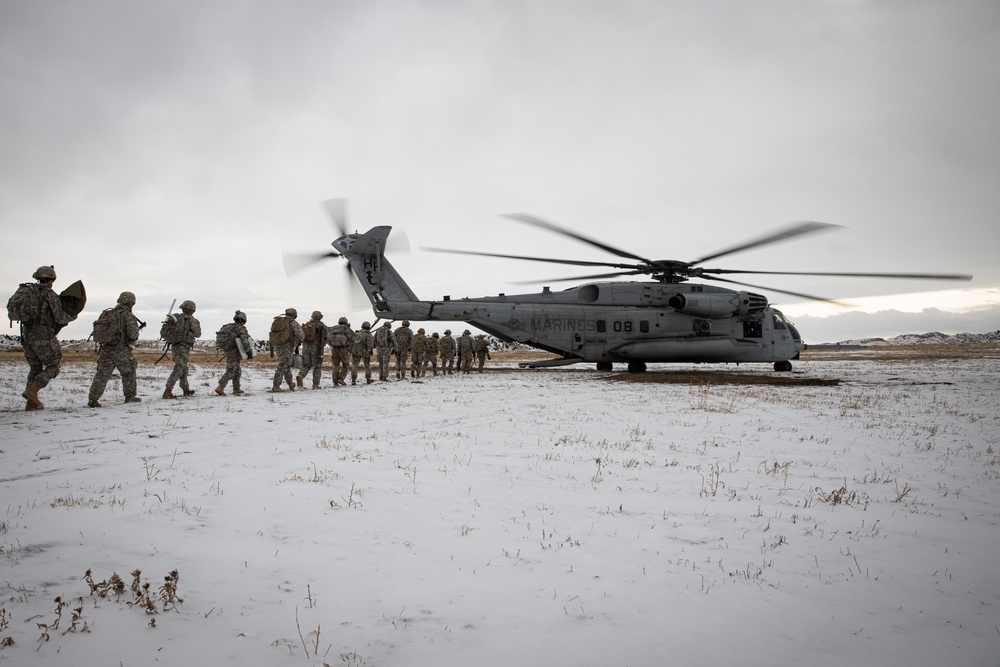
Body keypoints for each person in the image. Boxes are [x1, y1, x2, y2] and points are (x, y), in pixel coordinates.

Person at [7, 265, 77, 410]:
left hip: (26, 332)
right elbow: (59, 317)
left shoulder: (27, 291)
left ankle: (31, 403)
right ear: (51, 279)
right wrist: (72, 316)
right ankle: (32, 391)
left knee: (35, 366)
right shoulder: (50, 295)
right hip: (43, 332)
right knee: (53, 365)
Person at [87, 291, 142, 407]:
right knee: (129, 372)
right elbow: (133, 335)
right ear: (130, 302)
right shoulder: (128, 315)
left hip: (106, 348)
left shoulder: (107, 314)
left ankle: (93, 398)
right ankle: (130, 396)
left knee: (102, 374)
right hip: (121, 348)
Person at [163, 300, 201, 398]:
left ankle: (185, 389)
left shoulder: (175, 318)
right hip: (184, 346)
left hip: (174, 345)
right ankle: (168, 390)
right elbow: (198, 334)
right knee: (179, 368)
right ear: (192, 310)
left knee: (183, 367)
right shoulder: (193, 321)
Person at [215, 310, 253, 396]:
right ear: (243, 320)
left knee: (237, 369)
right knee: (232, 369)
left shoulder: (227, 326)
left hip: (227, 349)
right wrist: (248, 351)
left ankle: (236, 388)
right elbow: (244, 340)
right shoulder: (240, 328)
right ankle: (221, 386)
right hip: (234, 350)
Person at [270, 307, 303, 392]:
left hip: (278, 345)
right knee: (283, 365)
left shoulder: (278, 321)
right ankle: (276, 386)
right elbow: (301, 335)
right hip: (287, 346)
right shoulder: (292, 322)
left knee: (286, 365)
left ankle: (291, 384)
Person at [297, 310, 328, 389]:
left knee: (306, 365)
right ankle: (315, 385)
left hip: (306, 348)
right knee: (317, 367)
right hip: (317, 349)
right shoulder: (322, 325)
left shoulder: (306, 325)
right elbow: (327, 336)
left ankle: (301, 376)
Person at [327, 316, 354, 387]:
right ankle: (341, 378)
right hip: (343, 349)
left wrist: (332, 345)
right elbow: (352, 338)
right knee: (346, 364)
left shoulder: (333, 328)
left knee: (335, 365)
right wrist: (348, 346)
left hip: (334, 349)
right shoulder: (346, 329)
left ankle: (335, 382)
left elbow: (327, 338)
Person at [350, 321, 375, 385]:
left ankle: (353, 380)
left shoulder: (356, 333)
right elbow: (370, 344)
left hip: (355, 351)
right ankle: (368, 379)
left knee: (354, 365)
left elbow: (352, 342)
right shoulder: (368, 334)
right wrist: (370, 350)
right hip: (365, 352)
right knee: (367, 365)